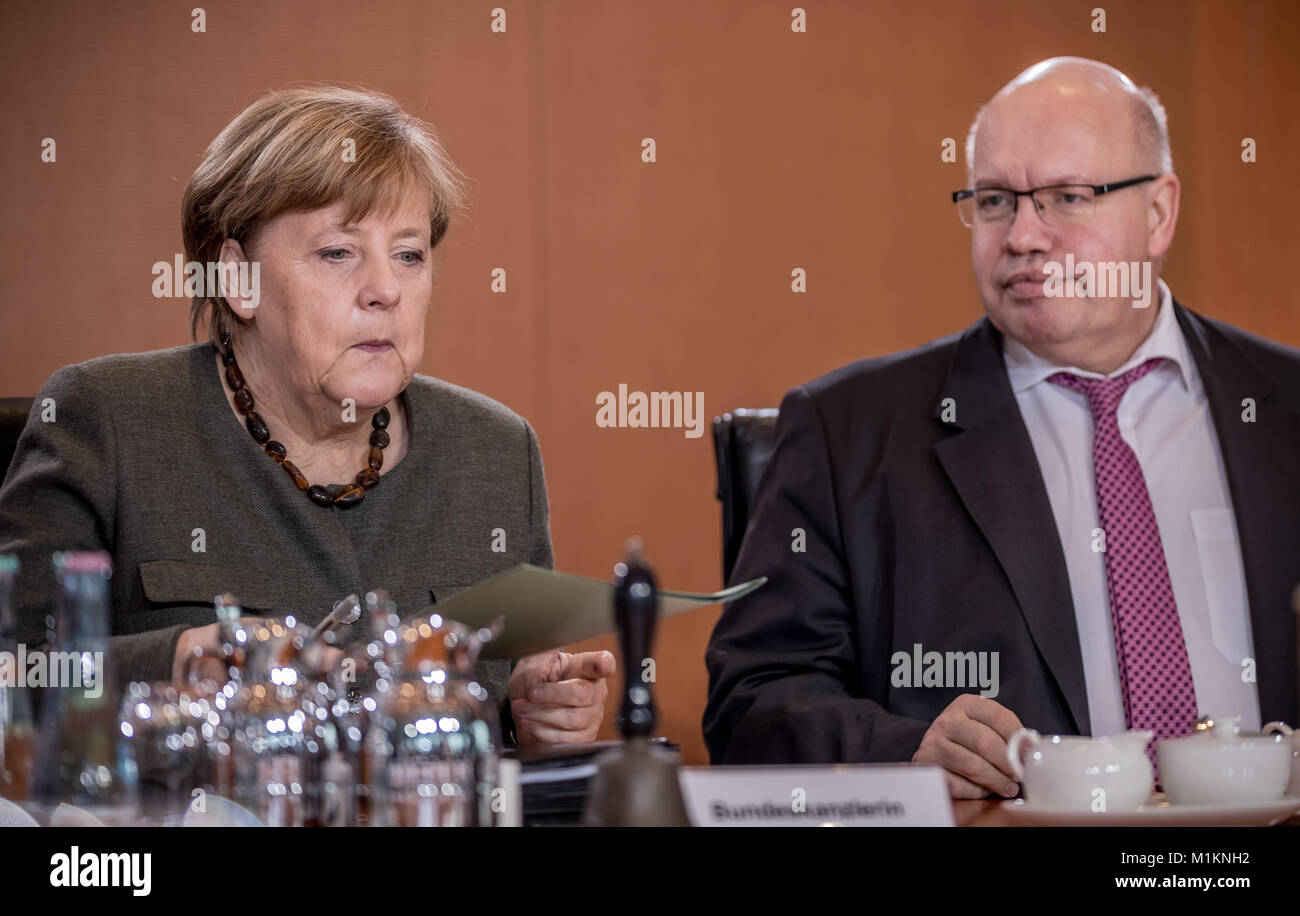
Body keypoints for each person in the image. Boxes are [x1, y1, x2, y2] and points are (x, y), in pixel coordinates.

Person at [703, 58, 1300, 796]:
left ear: (1159, 213)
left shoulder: (1286, 410)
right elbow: (752, 702)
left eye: (1067, 197)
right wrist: (909, 754)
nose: (1023, 236)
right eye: (994, 201)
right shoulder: (845, 435)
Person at [0, 86, 612, 745]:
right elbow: (15, 676)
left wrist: (533, 719)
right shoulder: (110, 423)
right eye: (337, 253)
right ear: (239, 281)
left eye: (409, 254)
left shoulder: (495, 452)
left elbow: (506, 729)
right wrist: (182, 660)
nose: (386, 290)